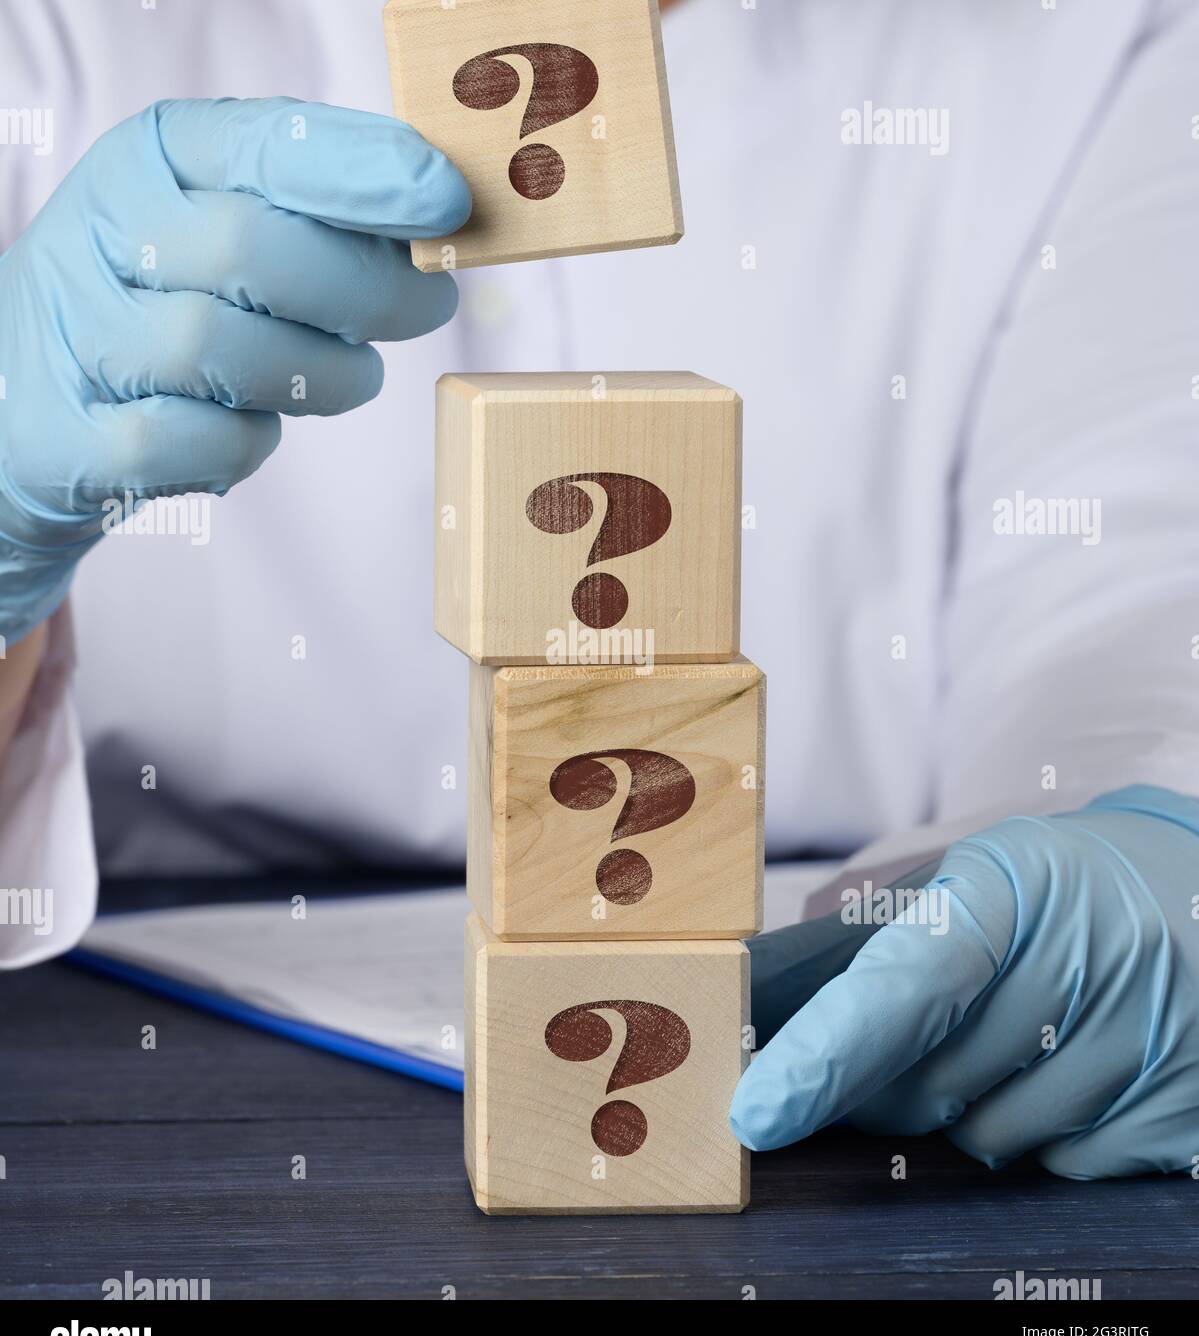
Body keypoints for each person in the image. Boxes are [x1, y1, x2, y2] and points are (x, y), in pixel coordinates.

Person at [0, 0, 1195, 1179]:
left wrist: (1157, 832)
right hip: (141, 1057)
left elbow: (1135, 562)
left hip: (841, 1011)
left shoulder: (1107, 40)